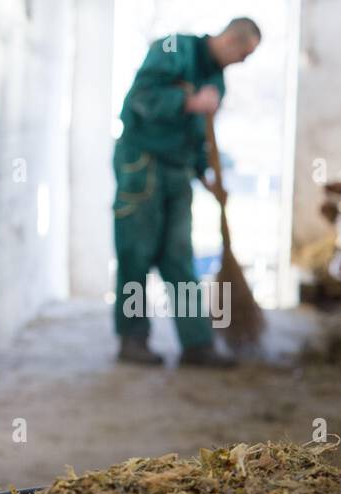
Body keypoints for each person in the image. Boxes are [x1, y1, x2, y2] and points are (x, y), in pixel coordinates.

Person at [112, 17, 261, 367]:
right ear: (231, 41)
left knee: (179, 258)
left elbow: (199, 134)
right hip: (143, 164)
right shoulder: (174, 49)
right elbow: (140, 99)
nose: (244, 62)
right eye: (245, 54)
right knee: (136, 253)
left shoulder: (216, 79)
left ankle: (197, 345)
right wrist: (189, 101)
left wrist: (204, 175)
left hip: (179, 172)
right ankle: (132, 340)